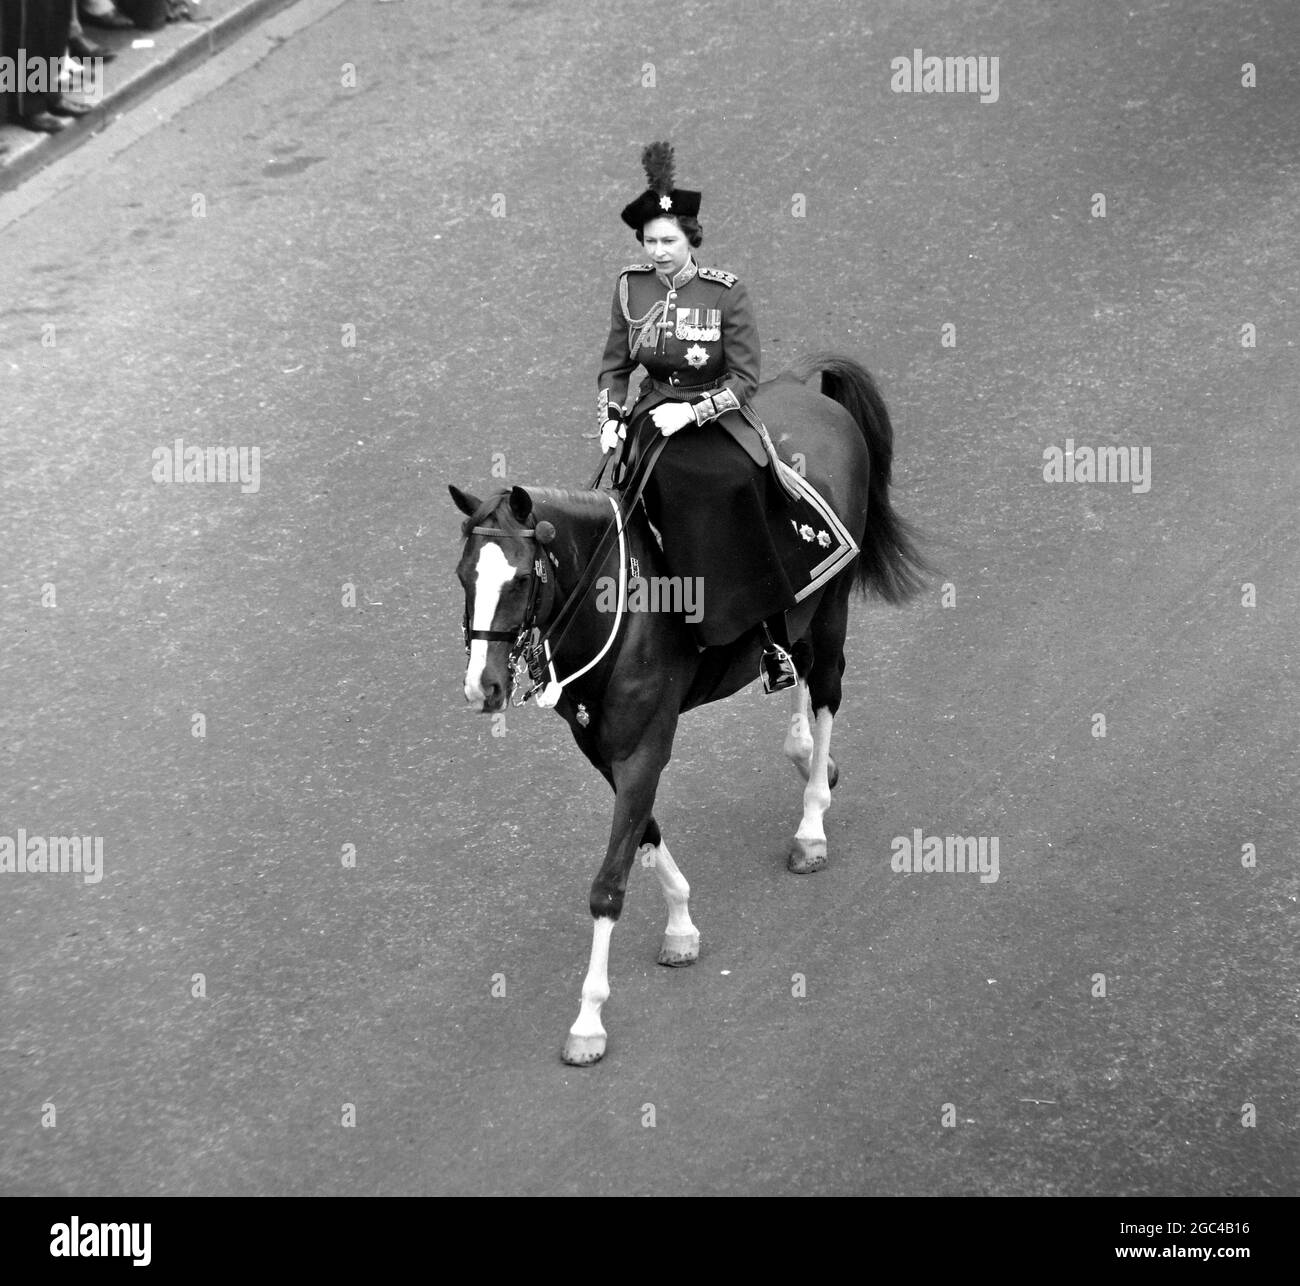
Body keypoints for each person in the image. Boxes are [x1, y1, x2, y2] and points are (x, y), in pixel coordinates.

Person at [597, 141, 798, 693]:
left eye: (670, 241)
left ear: (691, 240)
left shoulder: (725, 294)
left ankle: (770, 636)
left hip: (716, 414)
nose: (660, 252)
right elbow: (615, 367)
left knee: (736, 485)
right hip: (650, 415)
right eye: (651, 242)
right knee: (632, 497)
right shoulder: (629, 288)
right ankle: (653, 610)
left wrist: (692, 414)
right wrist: (613, 418)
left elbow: (746, 380)